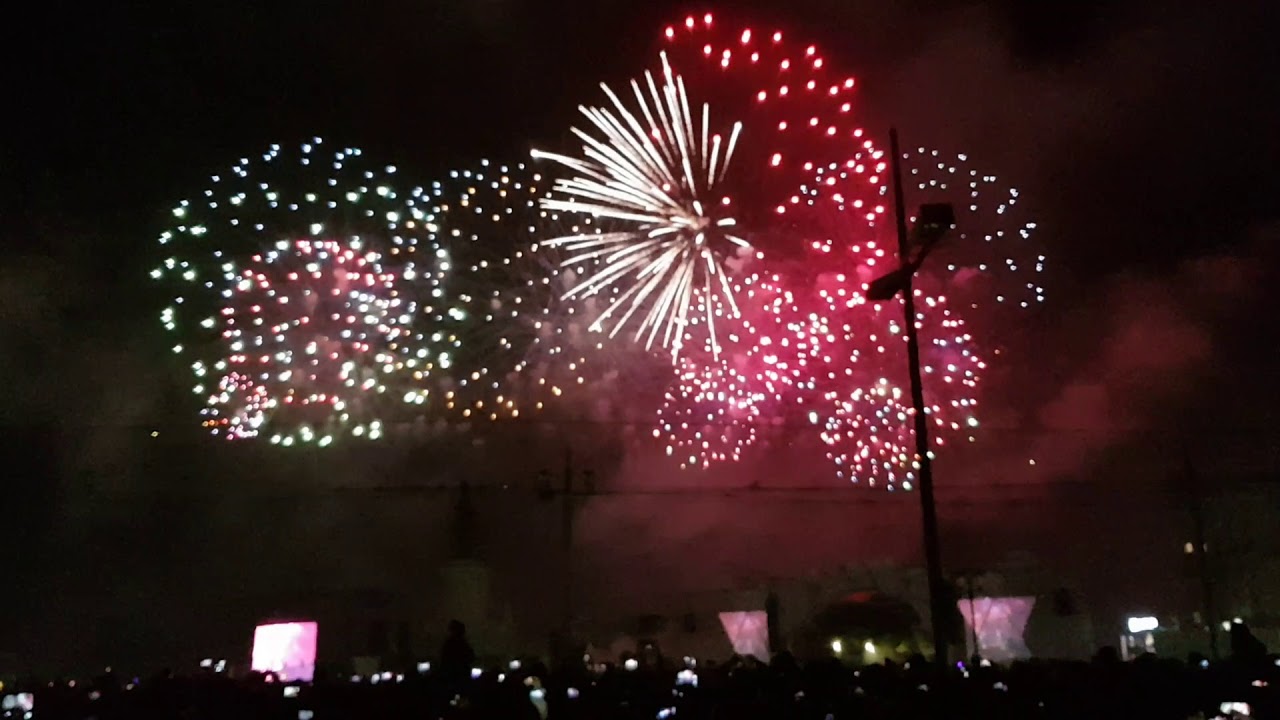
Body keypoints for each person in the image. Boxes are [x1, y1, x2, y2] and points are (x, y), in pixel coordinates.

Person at [440, 620, 477, 690]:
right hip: (457, 675)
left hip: (455, 675)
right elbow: (471, 657)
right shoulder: (461, 644)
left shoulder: (450, 644)